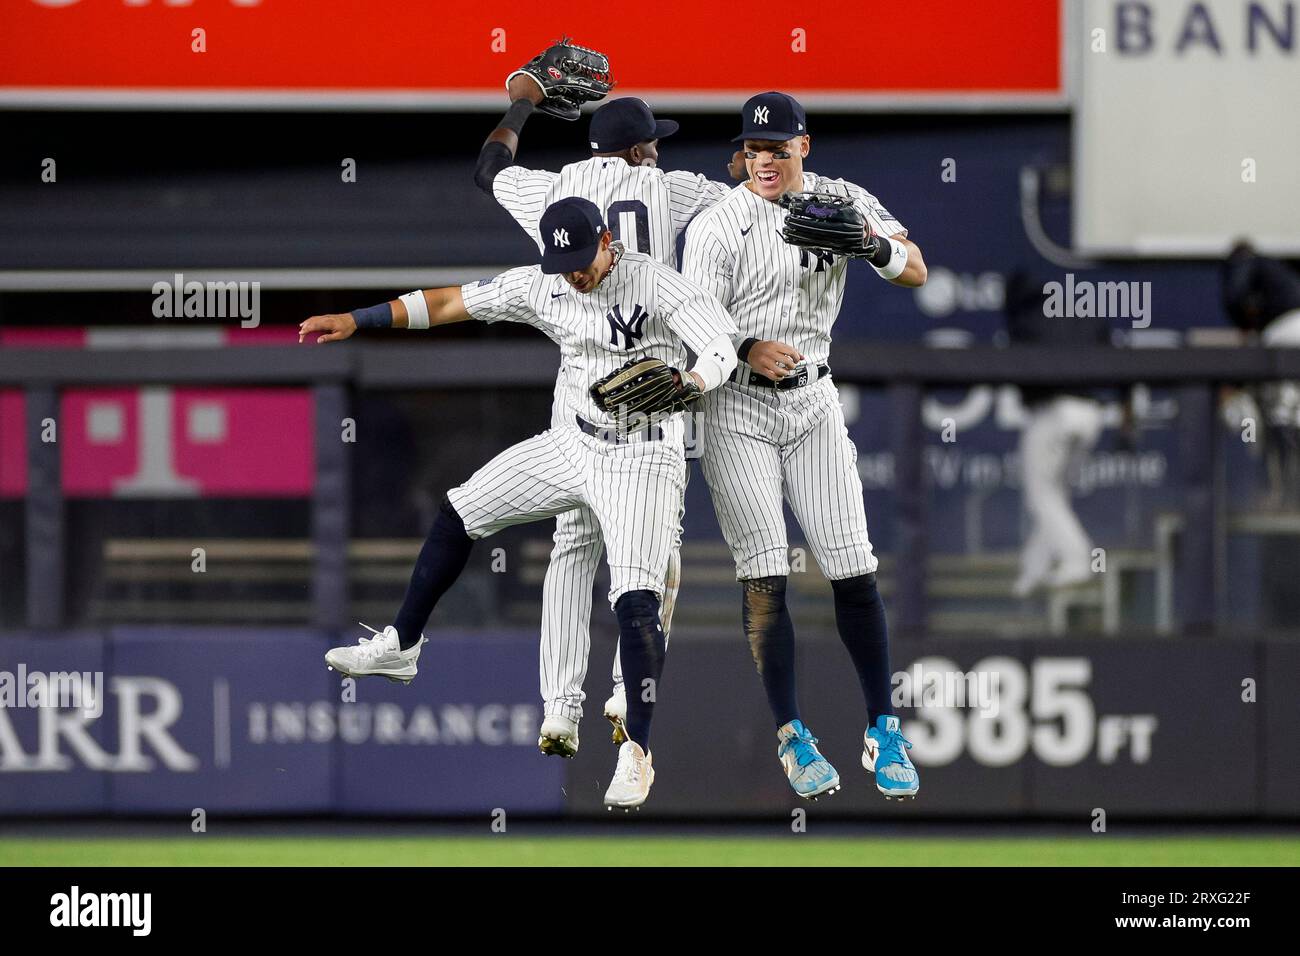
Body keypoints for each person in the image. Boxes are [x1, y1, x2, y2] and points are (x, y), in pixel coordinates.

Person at [298, 197, 738, 809]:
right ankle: (401, 645)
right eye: (563, 262)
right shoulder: (545, 284)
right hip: (572, 441)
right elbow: (451, 302)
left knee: (635, 601)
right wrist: (357, 318)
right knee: (461, 510)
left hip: (642, 454)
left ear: (608, 239)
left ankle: (636, 752)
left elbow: (721, 343)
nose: (575, 272)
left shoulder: (656, 283)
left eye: (583, 259)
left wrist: (694, 379)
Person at [473, 73, 742, 757]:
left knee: (572, 546)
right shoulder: (670, 186)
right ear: (637, 153)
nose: (656, 154)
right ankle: (627, 689)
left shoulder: (554, 189)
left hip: (578, 381)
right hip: (651, 376)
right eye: (652, 145)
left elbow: (491, 166)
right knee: (653, 559)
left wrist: (527, 96)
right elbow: (742, 207)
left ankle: (558, 709)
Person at [682, 91, 927, 800]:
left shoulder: (840, 198)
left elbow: (916, 267)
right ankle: (793, 735)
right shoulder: (719, 224)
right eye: (754, 149)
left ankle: (883, 726)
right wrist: (747, 345)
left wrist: (872, 245)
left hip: (814, 398)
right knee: (765, 573)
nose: (764, 161)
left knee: (852, 565)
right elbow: (692, 325)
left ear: (804, 146)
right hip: (736, 406)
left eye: (778, 148)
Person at [1003, 270, 1109, 596]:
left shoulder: (1026, 317)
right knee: (1055, 495)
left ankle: (1078, 560)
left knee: (1042, 495)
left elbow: (1022, 370)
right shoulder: (1078, 314)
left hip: (1055, 412)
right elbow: (1111, 349)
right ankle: (1034, 569)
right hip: (1091, 414)